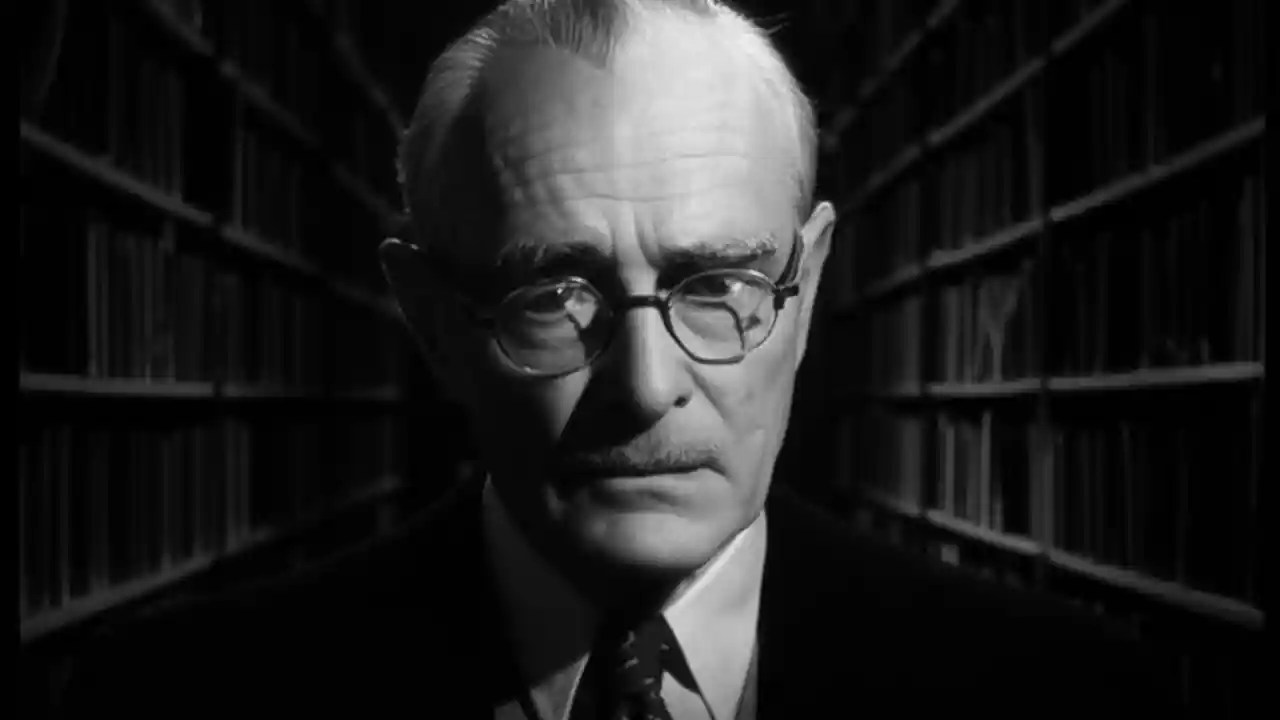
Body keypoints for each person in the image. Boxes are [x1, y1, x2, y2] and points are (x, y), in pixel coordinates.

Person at [61, 1, 1180, 718]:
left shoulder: (1070, 696)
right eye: (554, 294)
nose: (646, 385)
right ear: (432, 318)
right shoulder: (166, 700)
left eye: (721, 286)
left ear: (806, 287)